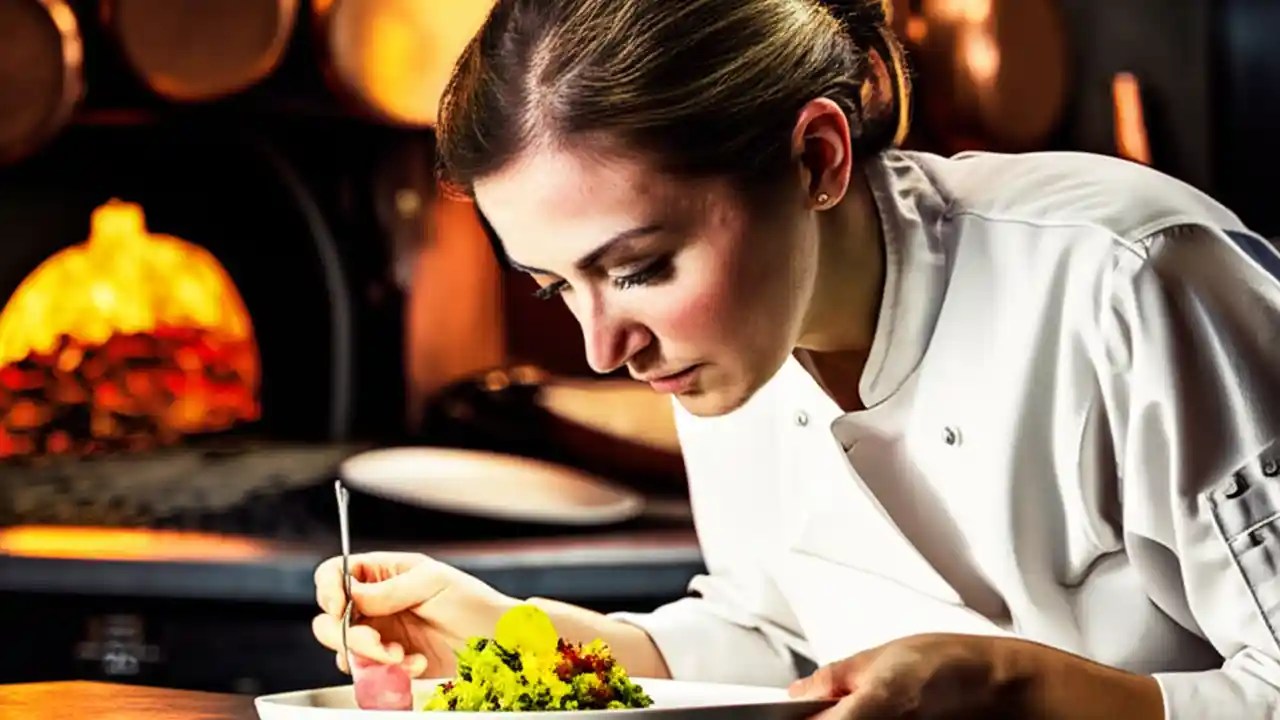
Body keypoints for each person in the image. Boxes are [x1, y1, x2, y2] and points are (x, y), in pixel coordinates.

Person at [311, 0, 1280, 717]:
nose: (603, 348)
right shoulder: (727, 343)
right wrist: (527, 640)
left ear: (815, 156)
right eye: (555, 287)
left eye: (640, 267)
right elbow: (778, 639)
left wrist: (1015, 686)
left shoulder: (1128, 283)